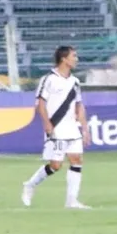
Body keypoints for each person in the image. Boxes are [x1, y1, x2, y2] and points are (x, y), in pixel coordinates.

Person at [22, 46, 91, 209]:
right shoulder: (49, 79)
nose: (76, 59)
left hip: (72, 127)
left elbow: (79, 105)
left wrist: (85, 127)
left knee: (77, 160)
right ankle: (30, 184)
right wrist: (47, 123)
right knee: (56, 165)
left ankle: (71, 201)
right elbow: (40, 103)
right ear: (64, 59)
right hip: (57, 127)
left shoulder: (75, 82)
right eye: (74, 56)